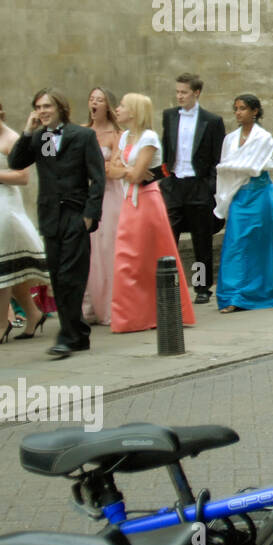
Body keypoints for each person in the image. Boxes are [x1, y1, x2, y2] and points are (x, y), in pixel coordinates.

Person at [9, 89, 105, 357]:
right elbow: (17, 162)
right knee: (59, 278)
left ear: (60, 107)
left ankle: (68, 335)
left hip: (76, 216)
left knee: (70, 277)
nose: (42, 111)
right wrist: (28, 133)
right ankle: (78, 335)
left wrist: (90, 215)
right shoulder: (43, 137)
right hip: (51, 217)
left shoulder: (83, 136)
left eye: (47, 106)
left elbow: (97, 178)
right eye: (38, 107)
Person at [107, 93, 196, 333]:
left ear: (134, 111)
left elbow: (134, 175)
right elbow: (111, 170)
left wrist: (125, 171)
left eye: (123, 105)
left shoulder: (149, 137)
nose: (118, 109)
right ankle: (132, 316)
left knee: (147, 257)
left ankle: (155, 313)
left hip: (147, 201)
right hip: (130, 200)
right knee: (128, 259)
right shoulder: (125, 136)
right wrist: (129, 171)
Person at [214, 95, 273, 312]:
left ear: (255, 111)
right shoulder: (230, 139)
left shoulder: (264, 138)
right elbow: (225, 167)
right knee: (236, 244)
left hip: (261, 196)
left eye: (243, 108)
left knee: (272, 242)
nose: (238, 113)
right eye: (236, 109)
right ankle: (234, 295)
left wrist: (242, 166)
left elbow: (263, 164)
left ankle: (272, 289)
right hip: (239, 196)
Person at [161, 73, 224, 304]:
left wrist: (210, 186)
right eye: (177, 92)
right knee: (169, 239)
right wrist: (166, 180)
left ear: (196, 93)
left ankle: (201, 287)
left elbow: (218, 159)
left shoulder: (212, 120)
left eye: (184, 92)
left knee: (201, 241)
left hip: (199, 186)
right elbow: (166, 149)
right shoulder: (168, 116)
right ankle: (169, 286)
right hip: (175, 184)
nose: (179, 96)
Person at [0, 100, 51, 342]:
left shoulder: (10, 138)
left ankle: (1, 324)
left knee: (3, 266)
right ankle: (32, 313)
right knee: (10, 268)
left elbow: (22, 177)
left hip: (6, 204)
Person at [83, 87, 123, 326]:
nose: (94, 103)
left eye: (99, 99)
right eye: (91, 99)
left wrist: (95, 171)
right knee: (88, 251)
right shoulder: (83, 131)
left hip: (109, 196)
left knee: (107, 248)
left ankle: (110, 305)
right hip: (85, 196)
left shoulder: (116, 134)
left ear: (108, 105)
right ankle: (88, 307)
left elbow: (116, 167)